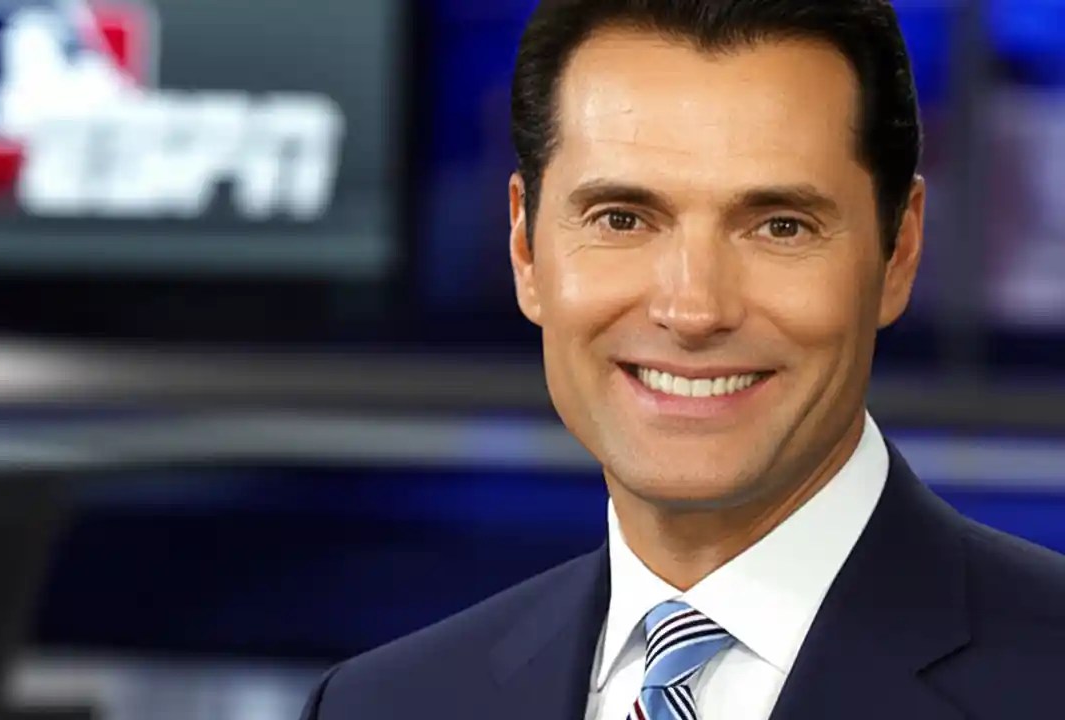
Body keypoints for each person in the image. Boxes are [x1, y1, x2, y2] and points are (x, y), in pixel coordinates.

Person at [299, 1, 1065, 719]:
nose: (694, 310)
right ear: (526, 249)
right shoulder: (382, 703)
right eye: (623, 218)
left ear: (899, 252)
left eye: (781, 227)